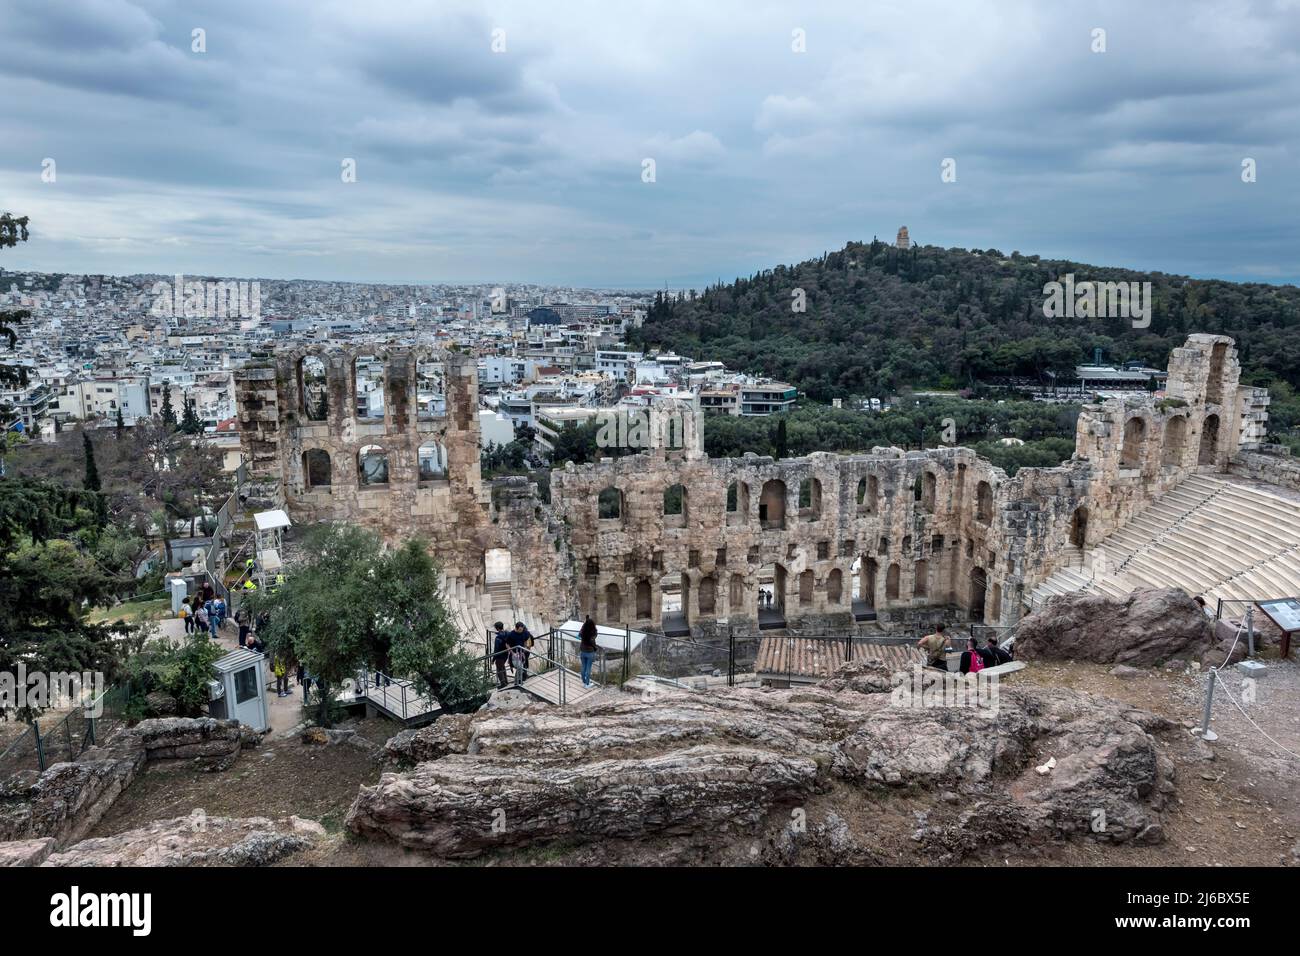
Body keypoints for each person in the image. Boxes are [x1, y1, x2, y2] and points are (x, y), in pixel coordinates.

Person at [578, 615, 599, 688]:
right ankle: (587, 684)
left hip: (583, 651)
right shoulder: (593, 632)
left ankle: (584, 682)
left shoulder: (583, 631)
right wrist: (595, 648)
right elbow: (595, 636)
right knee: (588, 668)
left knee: (583, 667)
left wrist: (584, 624)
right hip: (590, 652)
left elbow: (579, 635)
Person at [492, 621, 510, 689]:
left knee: (499, 669)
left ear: (497, 628)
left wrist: (493, 659)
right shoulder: (507, 633)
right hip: (505, 654)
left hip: (500, 655)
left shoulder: (498, 638)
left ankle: (503, 683)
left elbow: (496, 649)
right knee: (502, 667)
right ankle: (506, 681)